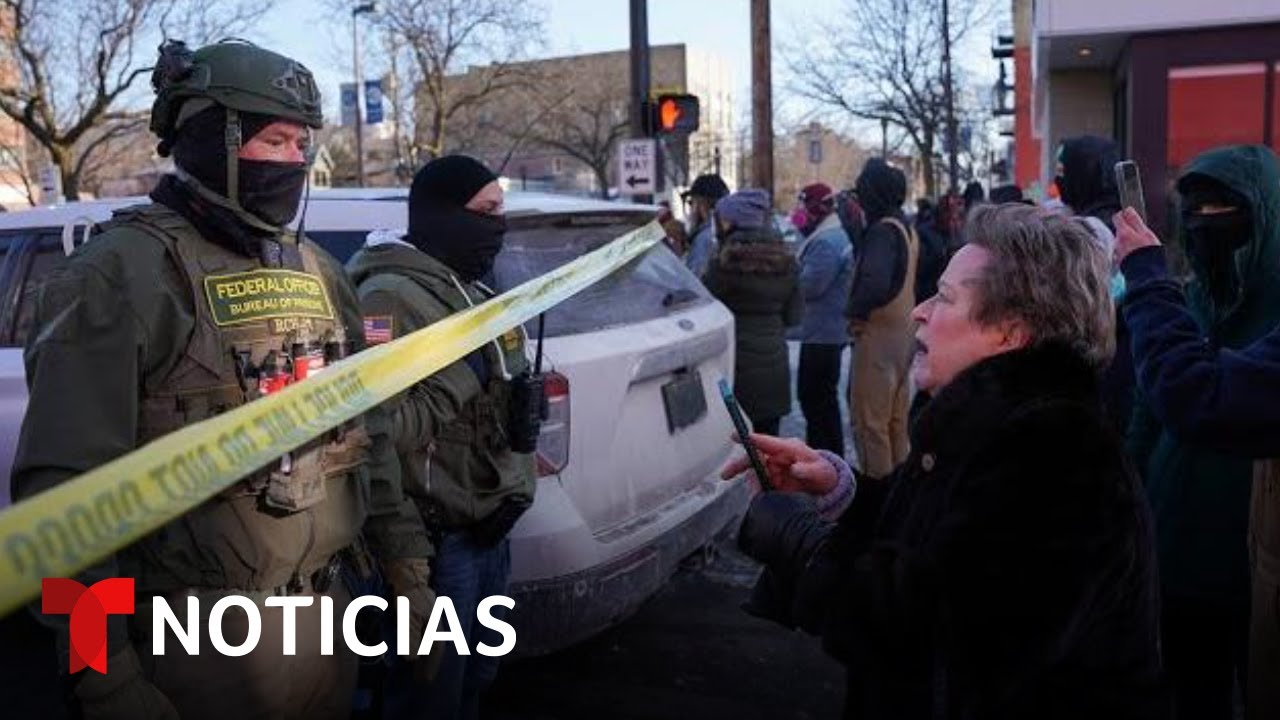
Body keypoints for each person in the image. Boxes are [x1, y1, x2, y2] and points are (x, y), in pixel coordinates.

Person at [10, 40, 433, 720]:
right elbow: (67, 509)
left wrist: (409, 571)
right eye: (276, 140)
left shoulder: (321, 274)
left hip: (330, 621)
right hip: (197, 652)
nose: (297, 162)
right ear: (213, 140)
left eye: (303, 143)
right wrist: (103, 679)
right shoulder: (119, 278)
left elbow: (368, 437)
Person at [727, 203, 1167, 720]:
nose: (920, 310)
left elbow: (939, 637)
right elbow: (942, 532)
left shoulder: (1060, 458)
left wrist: (801, 544)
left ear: (1012, 332)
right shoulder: (997, 423)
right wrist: (838, 493)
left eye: (946, 298)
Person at [346, 155, 538, 720]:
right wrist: (466, 373)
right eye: (487, 211)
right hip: (435, 544)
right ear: (442, 216)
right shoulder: (386, 298)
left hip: (490, 528)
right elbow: (377, 429)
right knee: (430, 695)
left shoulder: (471, 289)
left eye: (501, 210)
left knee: (478, 676)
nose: (499, 224)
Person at [1115, 144, 1280, 720]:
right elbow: (1149, 405)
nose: (1206, 225)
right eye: (1196, 212)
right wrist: (1129, 489)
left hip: (1254, 568)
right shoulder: (1188, 297)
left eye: (1224, 212)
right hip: (1176, 553)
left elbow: (1199, 399)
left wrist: (1144, 280)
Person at [704, 188, 801, 436]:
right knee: (769, 445)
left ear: (734, 222)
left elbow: (705, 315)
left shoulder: (722, 265)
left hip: (736, 366)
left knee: (737, 446)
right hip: (774, 365)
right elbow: (794, 317)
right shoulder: (787, 262)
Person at [845, 158, 915, 479]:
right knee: (896, 422)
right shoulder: (904, 227)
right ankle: (902, 494)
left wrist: (855, 312)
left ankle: (880, 504)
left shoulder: (882, 231)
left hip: (878, 338)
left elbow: (874, 281)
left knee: (870, 423)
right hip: (903, 339)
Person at [792, 182, 853, 456]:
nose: (799, 213)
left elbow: (810, 286)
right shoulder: (833, 234)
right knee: (823, 399)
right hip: (829, 330)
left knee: (815, 398)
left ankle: (823, 456)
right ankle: (828, 454)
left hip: (822, 333)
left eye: (803, 205)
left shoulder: (826, 241)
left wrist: (792, 277)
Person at [681, 173, 731, 277]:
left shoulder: (705, 239)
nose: (690, 210)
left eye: (691, 203)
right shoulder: (728, 232)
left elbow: (693, 283)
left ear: (701, 204)